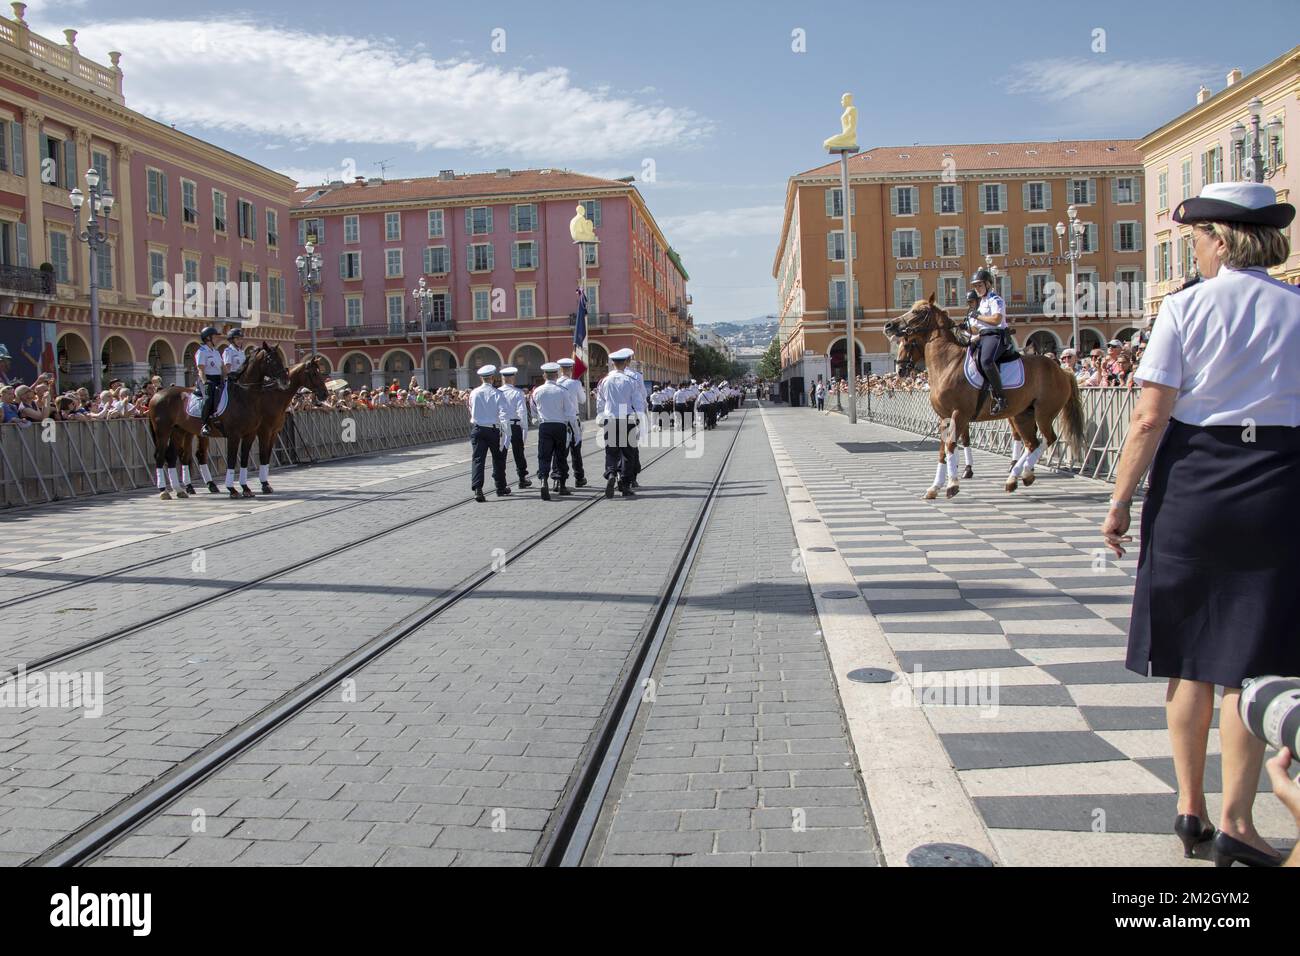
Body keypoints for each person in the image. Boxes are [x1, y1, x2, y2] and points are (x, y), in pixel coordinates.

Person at [1102, 182, 1299, 868]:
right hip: (1278, 483)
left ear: (1220, 239)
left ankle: (1191, 808)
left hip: (1196, 483)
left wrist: (1120, 500)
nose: (1195, 249)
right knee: (1254, 661)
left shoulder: (1185, 307)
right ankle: (1240, 822)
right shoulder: (1299, 308)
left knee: (1188, 658)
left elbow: (1150, 418)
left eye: (1196, 239)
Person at [596, 349, 645, 498]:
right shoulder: (631, 380)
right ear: (626, 362)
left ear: (612, 363)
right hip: (627, 419)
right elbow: (638, 402)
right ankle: (624, 484)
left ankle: (611, 473)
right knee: (628, 454)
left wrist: (601, 416)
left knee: (611, 451)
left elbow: (600, 401)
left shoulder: (604, 381)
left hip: (610, 419)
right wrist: (640, 420)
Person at [967, 267, 1010, 413]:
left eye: (979, 285)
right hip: (983, 336)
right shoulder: (982, 304)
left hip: (997, 335)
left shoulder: (995, 300)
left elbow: (997, 319)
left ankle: (1001, 398)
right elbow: (976, 329)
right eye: (975, 286)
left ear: (988, 284)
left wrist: (977, 316)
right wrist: (963, 328)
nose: (977, 289)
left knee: (986, 361)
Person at [467, 363, 511, 502]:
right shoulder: (498, 394)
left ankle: (478, 490)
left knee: (478, 460)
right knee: (498, 458)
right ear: (492, 377)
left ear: (482, 379)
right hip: (493, 429)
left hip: (478, 428)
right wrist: (506, 432)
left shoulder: (474, 392)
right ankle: (500, 487)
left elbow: (470, 408)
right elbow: (504, 414)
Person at [531, 363, 573, 501]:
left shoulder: (536, 391)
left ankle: (543, 480)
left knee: (544, 456)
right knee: (561, 456)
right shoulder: (563, 391)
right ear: (556, 375)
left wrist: (539, 419)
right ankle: (562, 485)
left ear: (544, 375)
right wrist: (574, 430)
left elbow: (533, 411)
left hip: (545, 426)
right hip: (560, 426)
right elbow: (570, 412)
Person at [555, 357, 587, 487]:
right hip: (574, 419)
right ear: (571, 369)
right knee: (575, 450)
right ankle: (579, 477)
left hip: (559, 421)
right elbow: (583, 400)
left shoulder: (554, 383)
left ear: (559, 370)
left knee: (558, 451)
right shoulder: (575, 383)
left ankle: (557, 479)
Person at [498, 366, 532, 489]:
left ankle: (501, 480)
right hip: (514, 425)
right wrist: (525, 430)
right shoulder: (518, 393)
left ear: (503, 378)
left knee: (502, 453)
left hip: (501, 426)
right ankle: (522, 478)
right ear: (512, 378)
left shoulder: (497, 392)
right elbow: (522, 412)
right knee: (519, 452)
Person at [195, 326, 224, 437]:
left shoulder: (216, 352)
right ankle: (204, 424)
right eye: (215, 336)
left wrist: (228, 378)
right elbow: (201, 369)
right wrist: (205, 382)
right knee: (208, 397)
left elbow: (223, 368)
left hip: (217, 379)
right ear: (208, 338)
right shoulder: (201, 352)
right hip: (206, 379)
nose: (217, 338)